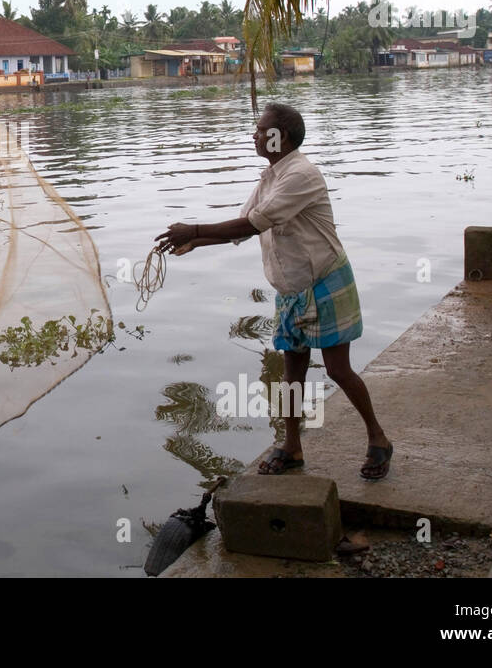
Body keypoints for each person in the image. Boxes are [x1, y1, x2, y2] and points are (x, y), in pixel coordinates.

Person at [155, 103, 392, 480]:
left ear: (279, 136)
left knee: (337, 369)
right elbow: (243, 225)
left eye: (261, 129)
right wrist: (196, 242)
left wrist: (194, 229)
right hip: (291, 289)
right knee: (292, 372)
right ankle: (292, 446)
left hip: (325, 281)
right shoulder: (271, 178)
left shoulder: (301, 175)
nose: (255, 134)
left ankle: (378, 439)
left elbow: (250, 224)